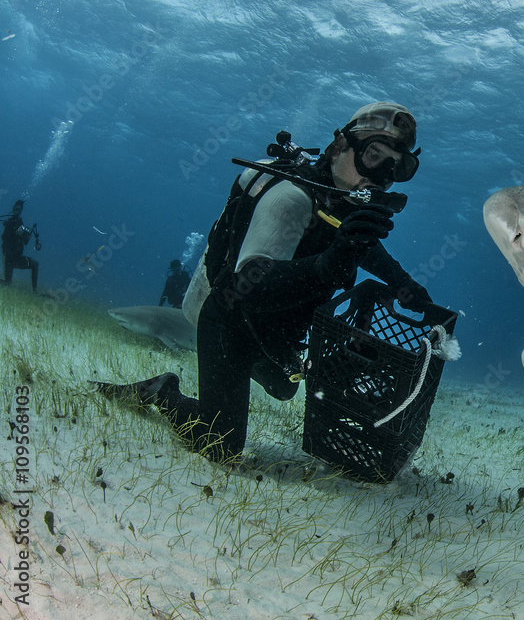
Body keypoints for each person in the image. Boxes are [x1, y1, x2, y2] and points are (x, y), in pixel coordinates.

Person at [98, 102, 432, 462]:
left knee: (282, 388)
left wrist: (405, 284)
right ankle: (165, 392)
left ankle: (250, 364)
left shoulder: (342, 202)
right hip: (228, 320)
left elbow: (358, 246)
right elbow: (244, 286)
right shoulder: (291, 199)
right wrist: (323, 267)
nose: (379, 175)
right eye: (373, 154)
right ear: (339, 147)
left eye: (397, 167)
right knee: (220, 444)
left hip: (275, 331)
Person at [1, 200, 41, 292]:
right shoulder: (9, 223)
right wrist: (15, 233)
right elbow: (5, 238)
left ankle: (35, 290)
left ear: (21, 211)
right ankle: (34, 290)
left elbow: (25, 242)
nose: (17, 212)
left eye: (19, 210)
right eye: (16, 209)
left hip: (17, 258)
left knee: (35, 264)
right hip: (9, 259)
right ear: (13, 209)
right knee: (7, 283)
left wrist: (28, 234)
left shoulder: (21, 224)